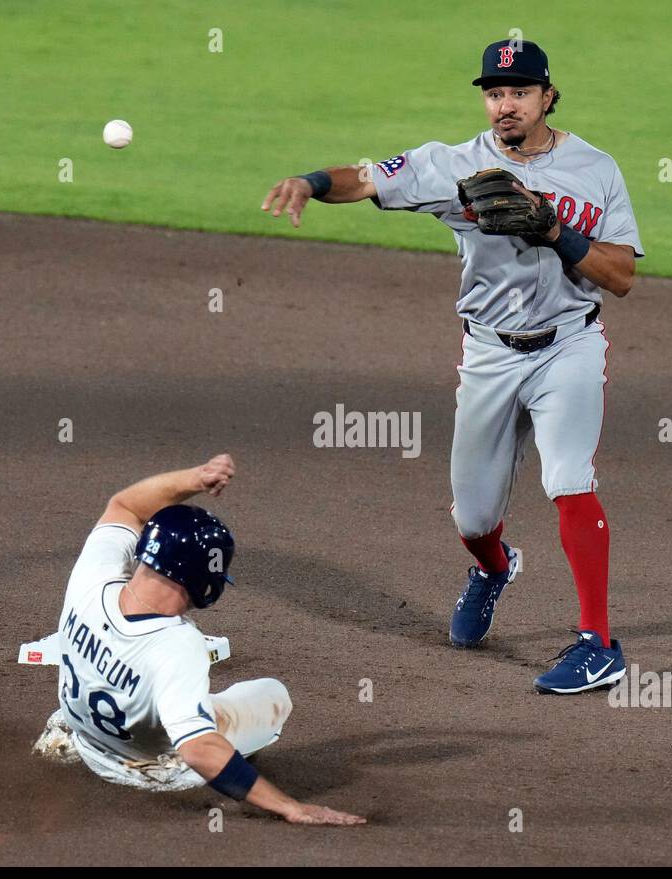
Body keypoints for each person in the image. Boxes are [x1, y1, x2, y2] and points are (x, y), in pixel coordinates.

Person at [261, 39, 643, 694]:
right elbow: (364, 177)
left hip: (569, 348)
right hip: (490, 354)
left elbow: (621, 276)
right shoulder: (453, 166)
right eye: (495, 93)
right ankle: (494, 569)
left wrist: (555, 230)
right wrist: (309, 182)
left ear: (548, 96)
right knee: (472, 519)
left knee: (569, 478)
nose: (506, 105)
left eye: (520, 92)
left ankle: (597, 643)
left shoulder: (596, 168)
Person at [35, 454, 365, 825]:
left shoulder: (93, 575)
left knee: (143, 694)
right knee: (272, 695)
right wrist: (291, 806)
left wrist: (195, 477)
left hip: (86, 739)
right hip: (147, 771)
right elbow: (197, 749)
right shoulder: (177, 645)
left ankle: (65, 734)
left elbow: (125, 505)